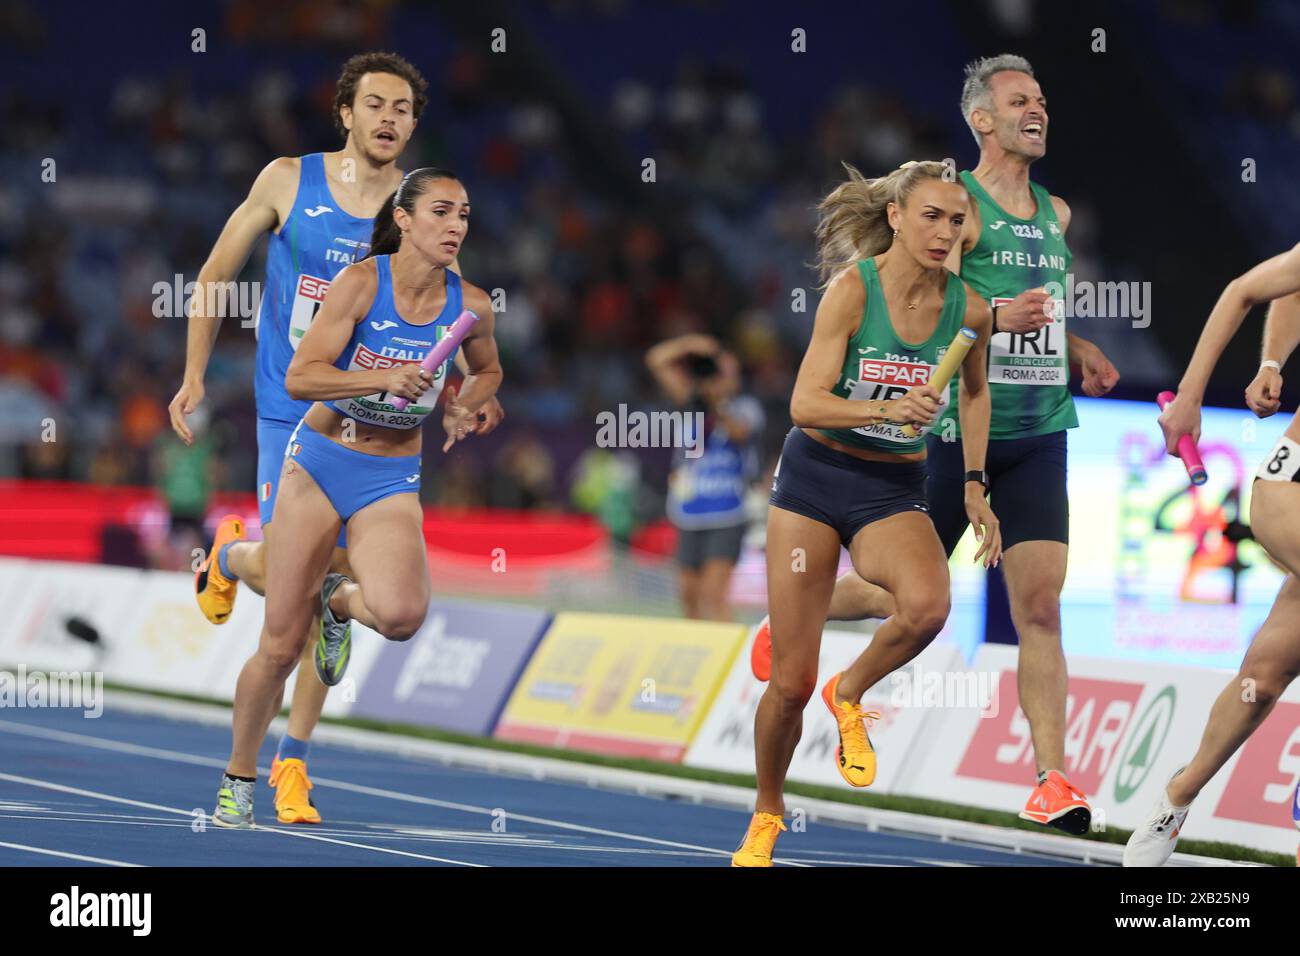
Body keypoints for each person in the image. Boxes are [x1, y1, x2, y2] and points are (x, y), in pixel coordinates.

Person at [748, 54, 1120, 836]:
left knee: (1037, 604)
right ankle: (794, 625)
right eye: (1021, 99)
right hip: (935, 432)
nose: (1039, 109)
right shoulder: (957, 205)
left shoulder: (1056, 215)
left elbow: (1010, 316)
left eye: (1043, 98)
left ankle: (1051, 779)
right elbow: (942, 299)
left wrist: (1073, 342)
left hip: (1037, 426)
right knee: (904, 601)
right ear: (981, 118)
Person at [168, 52, 501, 824]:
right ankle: (232, 557)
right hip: (296, 406)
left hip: (381, 429)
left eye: (404, 110)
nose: (389, 119)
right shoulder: (288, 180)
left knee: (336, 582)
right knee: (302, 581)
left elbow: (441, 318)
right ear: (344, 112)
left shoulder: (423, 211)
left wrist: (466, 393)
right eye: (375, 104)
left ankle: (294, 761)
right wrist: (192, 375)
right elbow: (217, 272)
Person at [732, 161, 999, 866]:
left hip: (891, 486)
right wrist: (887, 406)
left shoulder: (970, 310)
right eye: (933, 217)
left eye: (957, 219)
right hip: (815, 479)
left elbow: (975, 395)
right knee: (787, 686)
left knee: (927, 605)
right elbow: (804, 403)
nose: (947, 232)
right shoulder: (853, 292)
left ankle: (848, 692)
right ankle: (767, 811)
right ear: (897, 219)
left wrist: (974, 483)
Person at [1125, 243, 1300, 866]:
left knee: (1264, 675)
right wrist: (1199, 396)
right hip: (1292, 490)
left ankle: (1176, 796)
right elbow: (1249, 289)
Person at [646, 334, 764, 621]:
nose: (718, 378)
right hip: (689, 510)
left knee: (714, 593)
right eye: (715, 371)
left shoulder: (746, 407)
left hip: (727, 512)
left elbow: (739, 433)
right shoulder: (689, 403)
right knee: (688, 592)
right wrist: (690, 345)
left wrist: (717, 403)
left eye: (724, 372)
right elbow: (656, 359)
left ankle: (729, 655)